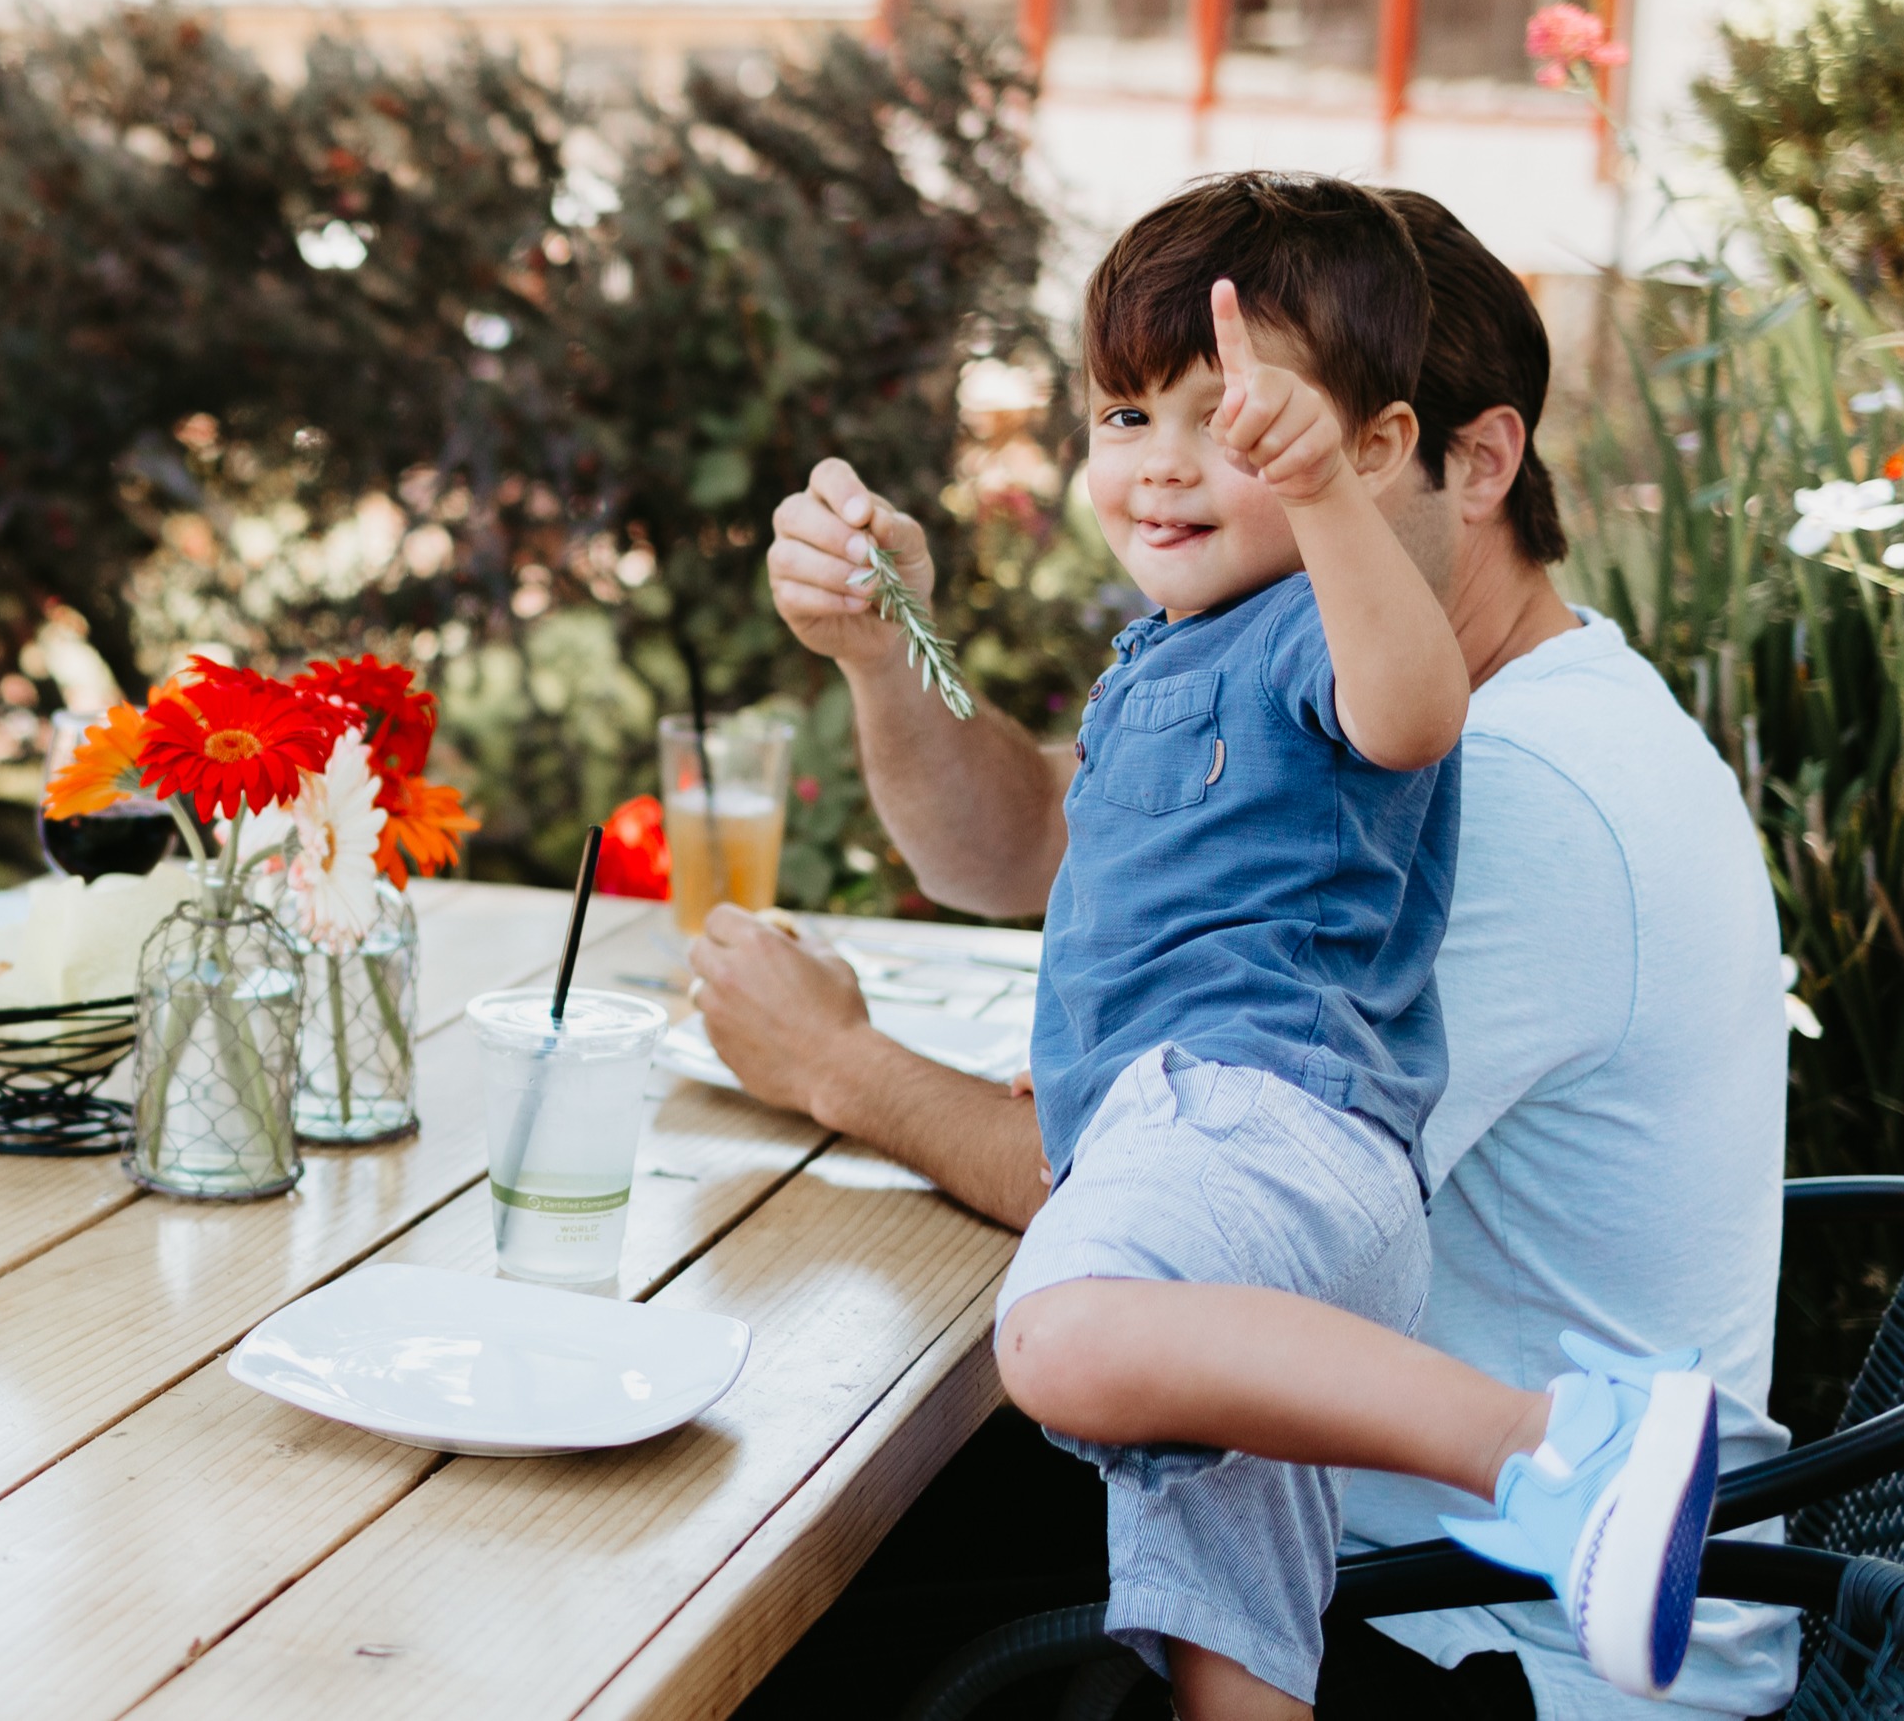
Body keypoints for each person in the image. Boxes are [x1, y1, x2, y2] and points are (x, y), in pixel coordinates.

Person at [706, 183, 1793, 1720]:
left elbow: (1124, 1184)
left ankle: (1566, 1442)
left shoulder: (1519, 780)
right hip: (1369, 1523)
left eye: (1268, 424)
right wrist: (891, 655)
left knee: (825, 1597)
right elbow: (1024, 855)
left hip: (1519, 1640)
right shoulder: (1254, 652)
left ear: (1455, 456)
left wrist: (839, 1065)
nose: (1196, 465)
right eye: (1145, 414)